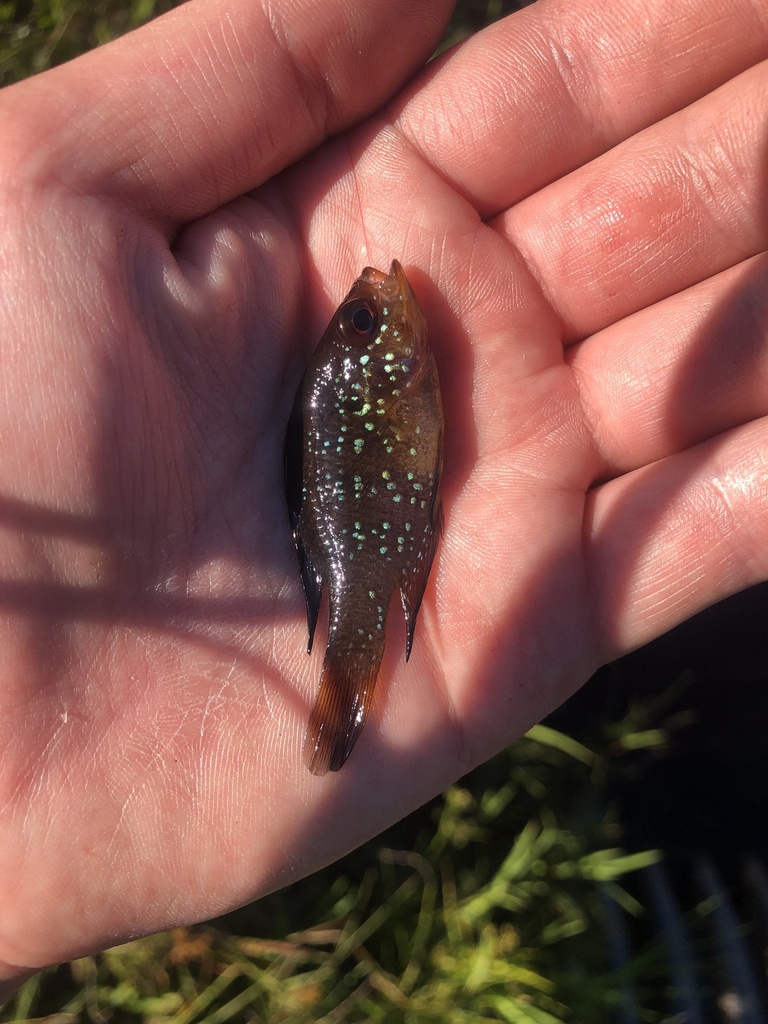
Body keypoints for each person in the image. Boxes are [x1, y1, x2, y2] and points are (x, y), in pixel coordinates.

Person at [0, 0, 766, 998]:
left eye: (360, 318)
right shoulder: (378, 378)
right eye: (365, 318)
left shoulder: (384, 377)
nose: (379, 302)